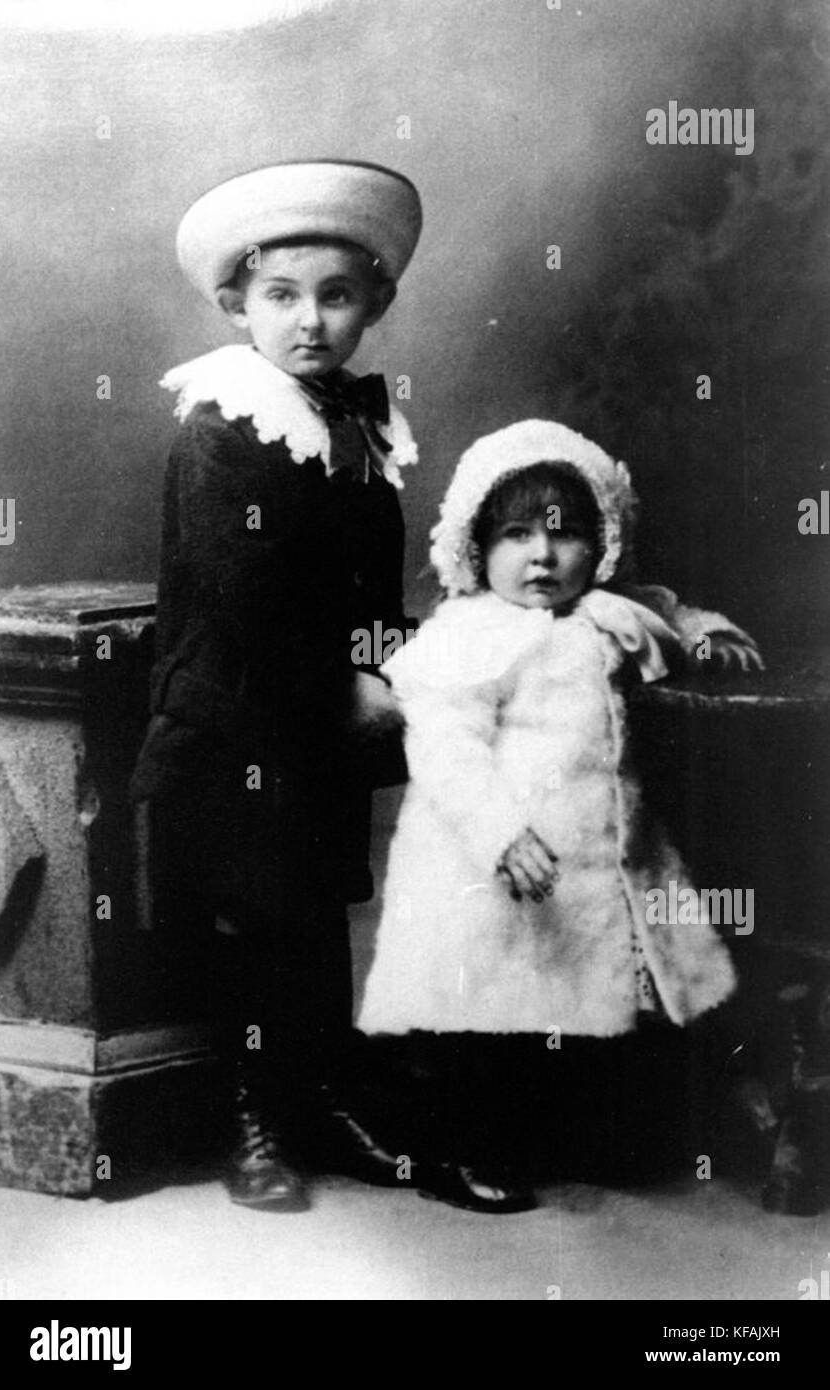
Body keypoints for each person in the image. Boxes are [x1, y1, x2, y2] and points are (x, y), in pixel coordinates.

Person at [357, 419, 763, 1213]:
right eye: (514, 535)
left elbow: (667, 614)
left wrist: (706, 638)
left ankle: (580, 1129)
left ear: (602, 542)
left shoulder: (604, 612)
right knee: (492, 1011)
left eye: (565, 534)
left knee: (584, 998)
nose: (541, 556)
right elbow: (444, 747)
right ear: (477, 549)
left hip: (601, 855)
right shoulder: (467, 635)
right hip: (497, 862)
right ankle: (471, 1141)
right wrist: (500, 834)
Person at [130, 160, 422, 1212]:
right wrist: (344, 686)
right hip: (238, 719)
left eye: (337, 296)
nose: (310, 321)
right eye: (281, 296)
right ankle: (254, 1118)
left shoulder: (356, 431)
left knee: (318, 912)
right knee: (260, 920)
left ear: (373, 304)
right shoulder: (223, 428)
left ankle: (322, 1100)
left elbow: (372, 585)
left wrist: (391, 660)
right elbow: (247, 599)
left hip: (317, 725)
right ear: (235, 304)